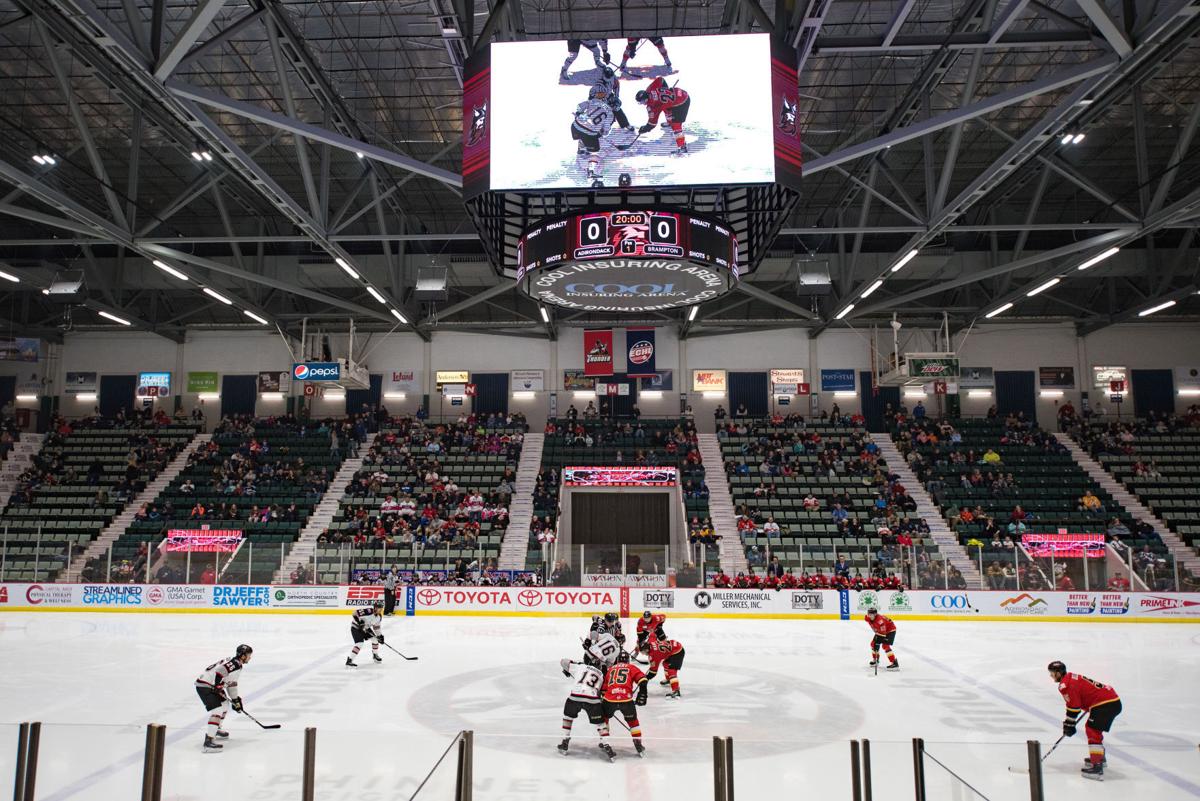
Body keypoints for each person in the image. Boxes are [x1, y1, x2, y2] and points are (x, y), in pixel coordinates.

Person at [1047, 661, 1121, 781]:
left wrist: (1069, 724)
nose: (1051, 676)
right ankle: (1099, 758)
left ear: (1059, 673)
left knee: (1092, 730)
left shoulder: (1065, 685)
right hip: (1110, 700)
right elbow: (1083, 695)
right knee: (1094, 729)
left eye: (1052, 673)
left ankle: (1097, 767)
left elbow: (1074, 706)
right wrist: (1070, 723)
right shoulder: (1070, 677)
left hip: (1105, 704)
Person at [194, 644, 253, 752]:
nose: (250, 657)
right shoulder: (235, 664)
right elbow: (220, 671)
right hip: (205, 686)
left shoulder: (237, 663)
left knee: (225, 705)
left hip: (212, 686)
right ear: (243, 656)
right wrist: (217, 685)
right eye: (249, 655)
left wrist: (235, 700)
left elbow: (231, 683)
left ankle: (215, 729)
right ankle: (208, 742)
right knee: (218, 710)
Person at [557, 653, 614, 760]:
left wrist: (571, 667)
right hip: (592, 699)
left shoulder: (580, 667)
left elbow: (563, 661)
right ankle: (607, 745)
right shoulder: (601, 675)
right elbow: (602, 692)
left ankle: (565, 740)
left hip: (575, 696)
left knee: (568, 717)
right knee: (601, 724)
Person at [602, 651, 648, 757]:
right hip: (626, 700)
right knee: (633, 722)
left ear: (617, 660)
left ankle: (605, 741)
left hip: (610, 700)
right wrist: (643, 693)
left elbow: (604, 688)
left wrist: (603, 698)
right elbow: (643, 679)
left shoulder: (610, 669)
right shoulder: (631, 667)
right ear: (628, 660)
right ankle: (638, 743)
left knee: (604, 719)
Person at [572, 85, 617, 187]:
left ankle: (581, 149)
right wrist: (601, 132)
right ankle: (591, 171)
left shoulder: (595, 101)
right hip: (588, 133)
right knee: (596, 152)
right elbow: (606, 130)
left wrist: (579, 113)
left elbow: (580, 106)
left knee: (583, 134)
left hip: (575, 126)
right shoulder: (610, 113)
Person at [635, 76, 691, 155]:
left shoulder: (653, 106)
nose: (642, 104)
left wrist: (645, 128)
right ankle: (669, 121)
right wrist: (666, 90)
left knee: (676, 125)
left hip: (682, 102)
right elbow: (661, 80)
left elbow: (652, 123)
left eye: (642, 102)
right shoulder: (649, 89)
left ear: (646, 99)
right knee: (665, 108)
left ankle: (682, 147)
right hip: (678, 92)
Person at [645, 633, 686, 698]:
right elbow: (653, 635)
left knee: (671, 670)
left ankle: (676, 691)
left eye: (643, 652)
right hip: (673, 648)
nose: (643, 654)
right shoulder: (650, 642)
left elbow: (653, 672)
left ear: (647, 650)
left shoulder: (654, 656)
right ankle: (669, 680)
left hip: (678, 652)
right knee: (665, 663)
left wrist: (646, 678)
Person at [346, 601, 385, 667]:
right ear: (375, 608)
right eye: (379, 608)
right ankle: (349, 660)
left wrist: (380, 636)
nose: (381, 610)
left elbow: (376, 628)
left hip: (366, 629)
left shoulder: (379, 617)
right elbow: (354, 613)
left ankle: (375, 655)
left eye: (381, 608)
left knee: (375, 640)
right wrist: (359, 622)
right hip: (356, 628)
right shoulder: (368, 611)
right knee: (359, 643)